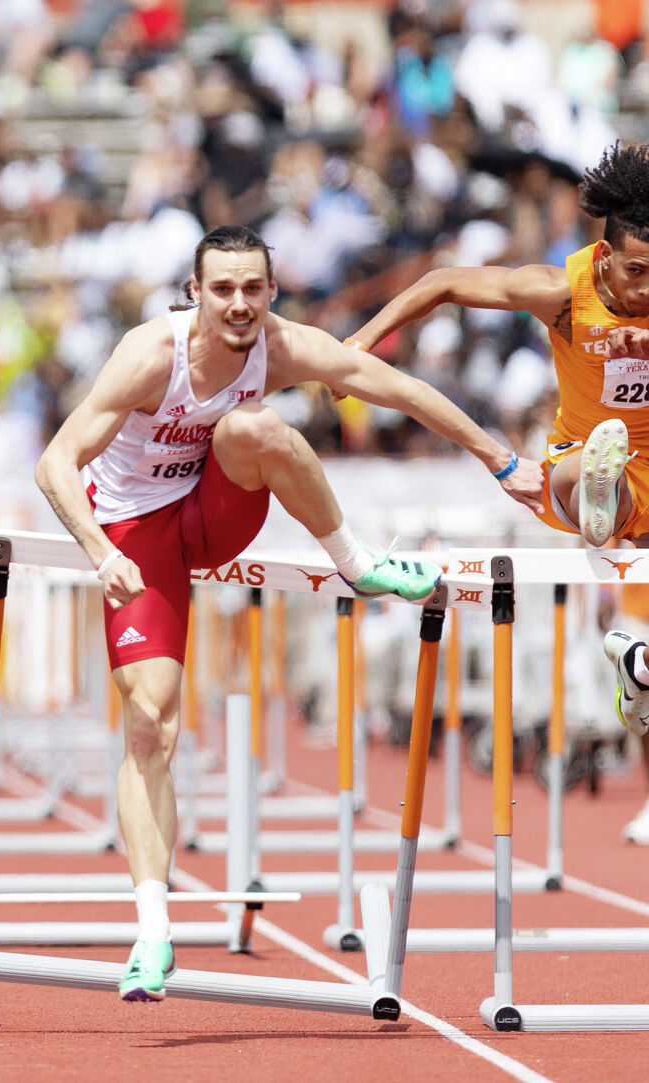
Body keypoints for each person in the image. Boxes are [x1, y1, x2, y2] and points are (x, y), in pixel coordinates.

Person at [35, 225, 540, 1002]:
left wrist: (498, 457)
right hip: (136, 530)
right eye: (223, 289)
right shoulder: (148, 354)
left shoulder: (280, 344)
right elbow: (55, 462)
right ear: (195, 294)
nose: (239, 304)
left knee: (257, 426)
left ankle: (358, 562)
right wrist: (103, 552)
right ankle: (153, 930)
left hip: (212, 509)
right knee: (150, 720)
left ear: (270, 291)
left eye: (252, 288)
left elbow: (393, 387)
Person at [350, 141, 649, 840]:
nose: (646, 290)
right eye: (636, 273)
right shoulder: (560, 291)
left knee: (612, 496)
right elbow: (444, 281)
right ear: (606, 259)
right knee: (581, 471)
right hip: (582, 459)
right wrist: (359, 341)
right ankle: (600, 506)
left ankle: (637, 660)